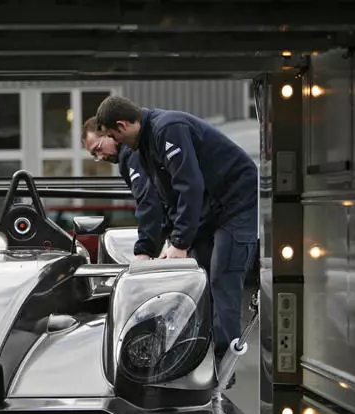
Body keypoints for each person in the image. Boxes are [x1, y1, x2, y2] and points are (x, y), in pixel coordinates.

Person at [94, 96, 259, 364]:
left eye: (114, 136)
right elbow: (167, 198)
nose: (116, 145)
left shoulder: (167, 128)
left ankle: (223, 363)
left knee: (221, 276)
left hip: (235, 202)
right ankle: (195, 355)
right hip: (210, 206)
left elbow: (189, 185)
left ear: (122, 125)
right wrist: (158, 245)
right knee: (197, 278)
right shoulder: (144, 146)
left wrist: (180, 242)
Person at [81, 116, 169, 261]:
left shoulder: (131, 155)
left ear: (109, 134)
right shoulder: (131, 155)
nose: (100, 157)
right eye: (94, 155)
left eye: (98, 148)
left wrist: (144, 251)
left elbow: (148, 200)